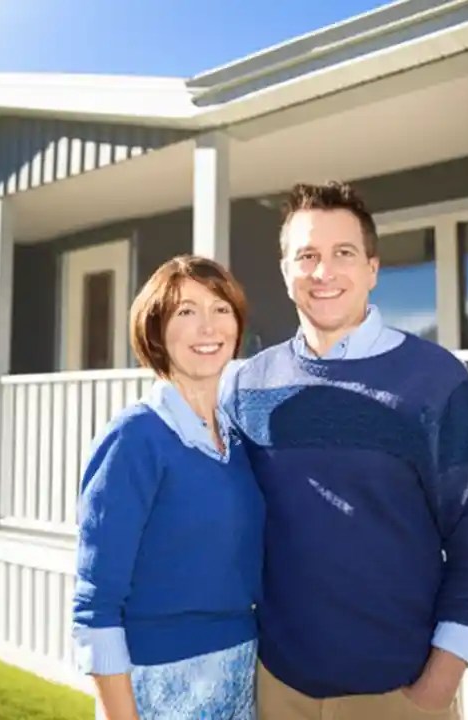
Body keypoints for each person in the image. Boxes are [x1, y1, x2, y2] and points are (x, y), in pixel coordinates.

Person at [223, 182, 468, 719]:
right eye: (306, 256)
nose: (323, 271)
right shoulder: (248, 386)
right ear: (285, 271)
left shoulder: (435, 381)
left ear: (372, 269)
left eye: (343, 253)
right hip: (278, 688)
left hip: (398, 695)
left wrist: (437, 685)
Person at [72, 256, 264, 720]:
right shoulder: (135, 438)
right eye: (186, 311)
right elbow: (96, 606)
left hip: (242, 676)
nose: (208, 326)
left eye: (221, 309)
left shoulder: (241, 440)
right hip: (158, 686)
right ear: (156, 331)